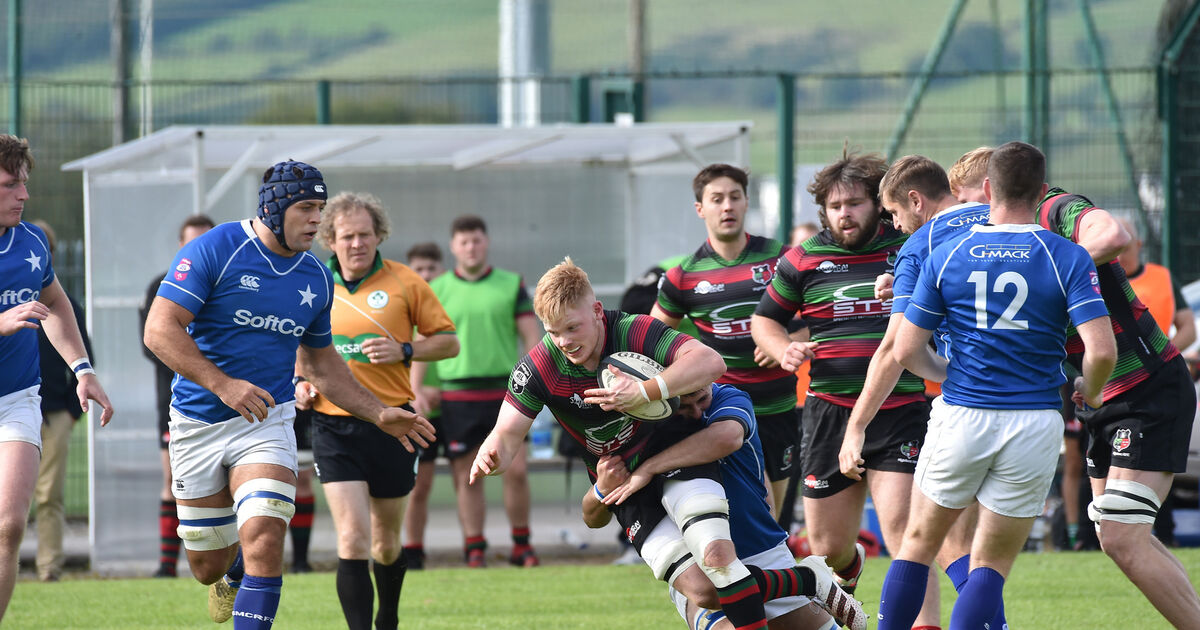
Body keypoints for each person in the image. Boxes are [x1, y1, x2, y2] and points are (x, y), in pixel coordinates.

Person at [470, 257, 864, 630]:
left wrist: (643, 392)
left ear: (596, 311)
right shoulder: (539, 367)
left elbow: (711, 363)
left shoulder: (634, 331)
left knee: (719, 561)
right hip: (626, 489)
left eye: (572, 329)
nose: (564, 342)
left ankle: (804, 582)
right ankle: (805, 579)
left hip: (674, 459)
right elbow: (506, 434)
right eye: (553, 332)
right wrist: (494, 453)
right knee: (704, 589)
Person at [143, 160, 434, 628]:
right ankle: (229, 572)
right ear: (274, 208)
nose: (317, 219)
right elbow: (158, 330)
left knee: (264, 534)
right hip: (197, 423)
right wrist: (223, 384)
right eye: (306, 208)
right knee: (206, 567)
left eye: (320, 207)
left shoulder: (317, 277)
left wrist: (380, 413)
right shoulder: (216, 249)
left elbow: (321, 364)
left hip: (267, 422)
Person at [875, 141, 1117, 629]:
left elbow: (904, 350)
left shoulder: (948, 252)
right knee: (990, 565)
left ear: (986, 190)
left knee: (918, 543)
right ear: (1043, 192)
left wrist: (950, 374)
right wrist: (1089, 393)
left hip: (962, 414)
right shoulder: (1067, 256)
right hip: (1033, 422)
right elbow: (1103, 351)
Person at [750, 151, 939, 625]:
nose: (844, 214)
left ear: (877, 204)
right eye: (835, 206)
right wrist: (781, 348)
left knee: (905, 533)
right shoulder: (804, 258)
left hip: (899, 410)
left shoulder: (909, 247)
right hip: (829, 412)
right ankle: (849, 569)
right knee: (828, 550)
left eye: (854, 203)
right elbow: (764, 320)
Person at [834, 154, 996, 628]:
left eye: (895, 214)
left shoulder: (922, 244)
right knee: (986, 553)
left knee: (919, 538)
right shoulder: (1007, 220)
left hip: (967, 404)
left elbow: (896, 350)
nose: (896, 225)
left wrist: (857, 426)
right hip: (1035, 408)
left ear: (915, 200)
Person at [1035, 186, 1200, 627]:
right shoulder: (997, 247)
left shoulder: (1054, 209)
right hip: (1099, 397)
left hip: (1144, 389)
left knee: (1124, 537)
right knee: (1116, 537)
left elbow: (1112, 234)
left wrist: (1049, 274)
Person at [293, 193, 458, 630]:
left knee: (385, 544)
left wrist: (406, 348)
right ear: (330, 239)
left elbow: (448, 342)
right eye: (347, 236)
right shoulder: (308, 282)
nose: (357, 243)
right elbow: (291, 346)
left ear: (379, 235)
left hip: (394, 424)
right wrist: (300, 383)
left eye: (365, 234)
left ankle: (388, 617)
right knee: (352, 538)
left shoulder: (404, 281)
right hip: (333, 424)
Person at [588, 381, 842, 630]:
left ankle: (809, 579)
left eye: (701, 398)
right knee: (707, 591)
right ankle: (806, 579)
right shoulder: (636, 426)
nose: (698, 412)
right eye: (685, 406)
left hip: (759, 549)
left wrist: (648, 469)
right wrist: (602, 489)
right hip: (696, 566)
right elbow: (592, 518)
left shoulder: (728, 399)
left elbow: (728, 438)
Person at [0, 134, 113, 620]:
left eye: (23, 183)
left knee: (8, 526)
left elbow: (56, 302)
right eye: (8, 185)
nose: (23, 195)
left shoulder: (29, 243)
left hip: (16, 398)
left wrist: (82, 369)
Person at [652, 164, 799, 519]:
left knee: (774, 517)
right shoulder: (683, 277)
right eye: (716, 199)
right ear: (700, 209)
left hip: (779, 407)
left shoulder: (782, 260)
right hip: (723, 408)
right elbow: (652, 338)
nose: (727, 206)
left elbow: (816, 319)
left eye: (734, 197)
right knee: (753, 508)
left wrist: (779, 340)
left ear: (747, 202)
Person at [424, 215, 543, 568]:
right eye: (464, 242)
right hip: (457, 395)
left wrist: (541, 380)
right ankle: (474, 547)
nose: (471, 248)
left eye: (476, 240)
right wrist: (419, 388)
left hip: (505, 393)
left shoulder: (510, 284)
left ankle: (522, 545)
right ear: (453, 247)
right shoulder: (437, 288)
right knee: (468, 475)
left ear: (486, 242)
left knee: (516, 471)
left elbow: (532, 339)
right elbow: (426, 343)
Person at [140, 213, 216, 578]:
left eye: (206, 240)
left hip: (228, 402)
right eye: (191, 242)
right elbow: (153, 343)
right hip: (176, 403)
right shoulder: (163, 285)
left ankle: (230, 562)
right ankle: (167, 566)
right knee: (173, 481)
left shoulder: (228, 284)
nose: (198, 248)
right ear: (181, 246)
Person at [29, 220, 93, 583]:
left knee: (50, 495)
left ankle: (48, 568)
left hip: (53, 414)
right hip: (10, 410)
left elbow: (84, 359)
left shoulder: (67, 307)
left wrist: (71, 412)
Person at [401, 241, 448, 570]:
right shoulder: (406, 307)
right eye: (419, 269)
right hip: (418, 408)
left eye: (432, 268)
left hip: (450, 404)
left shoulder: (444, 306)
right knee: (419, 484)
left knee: (464, 481)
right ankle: (413, 549)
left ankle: (473, 547)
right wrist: (416, 391)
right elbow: (412, 351)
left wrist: (438, 390)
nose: (426, 275)